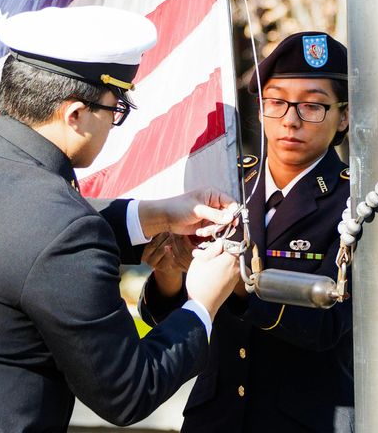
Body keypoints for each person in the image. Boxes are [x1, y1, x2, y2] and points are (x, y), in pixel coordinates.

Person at [0, 6, 240, 432]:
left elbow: (25, 230)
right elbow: (128, 392)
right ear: (74, 114)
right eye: (116, 109)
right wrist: (202, 304)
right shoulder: (64, 229)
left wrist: (154, 215)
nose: (114, 124)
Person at [139, 32, 354, 433]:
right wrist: (169, 277)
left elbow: (329, 325)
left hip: (307, 421)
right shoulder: (225, 182)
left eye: (312, 105)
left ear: (342, 116)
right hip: (214, 418)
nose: (290, 119)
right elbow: (179, 317)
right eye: (276, 102)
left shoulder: (356, 199)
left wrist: (242, 287)